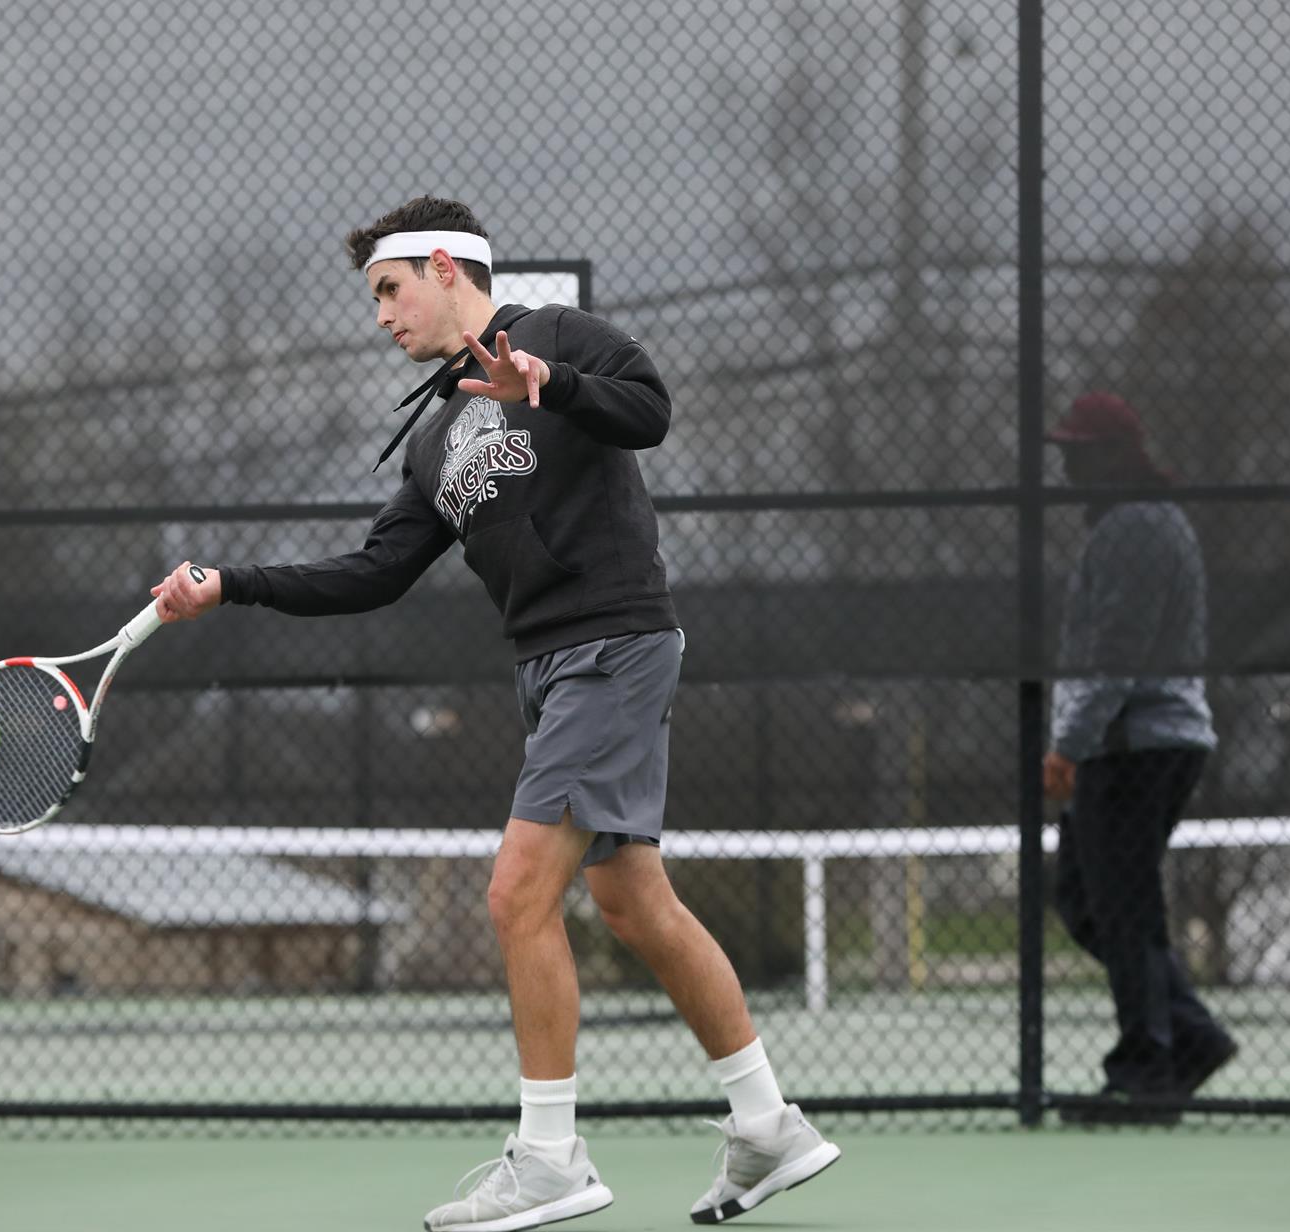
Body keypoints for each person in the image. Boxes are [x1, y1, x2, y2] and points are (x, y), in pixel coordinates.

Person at [149, 197, 838, 1229]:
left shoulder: (555, 331)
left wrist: (547, 385)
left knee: (516, 889)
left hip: (610, 643)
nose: (380, 315)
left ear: (439, 266)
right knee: (633, 903)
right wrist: (230, 582)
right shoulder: (431, 442)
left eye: (388, 290)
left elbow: (648, 409)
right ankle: (767, 1120)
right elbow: (373, 572)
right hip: (552, 669)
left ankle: (551, 1155)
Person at [1042, 392, 1236, 1126]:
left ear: (1113, 458)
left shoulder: (1133, 527)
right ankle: (1190, 1037)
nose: (1066, 466)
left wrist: (1070, 744)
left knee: (1122, 910)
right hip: (1146, 741)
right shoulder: (1143, 523)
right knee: (1095, 901)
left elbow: (1116, 654)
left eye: (1078, 452)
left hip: (1136, 746)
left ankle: (1148, 1073)